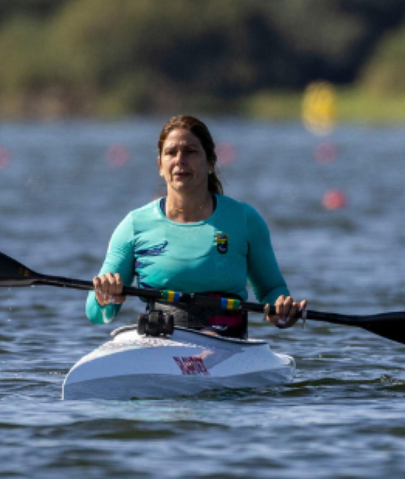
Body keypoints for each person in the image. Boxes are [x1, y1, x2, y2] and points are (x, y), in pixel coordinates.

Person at [90, 115, 306, 338]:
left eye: (190, 152)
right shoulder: (135, 226)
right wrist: (104, 297)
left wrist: (282, 311)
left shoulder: (244, 219)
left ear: (210, 162)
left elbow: (272, 291)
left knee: (208, 341)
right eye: (171, 153)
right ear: (160, 165)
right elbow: (96, 314)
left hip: (225, 340)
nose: (180, 160)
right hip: (159, 339)